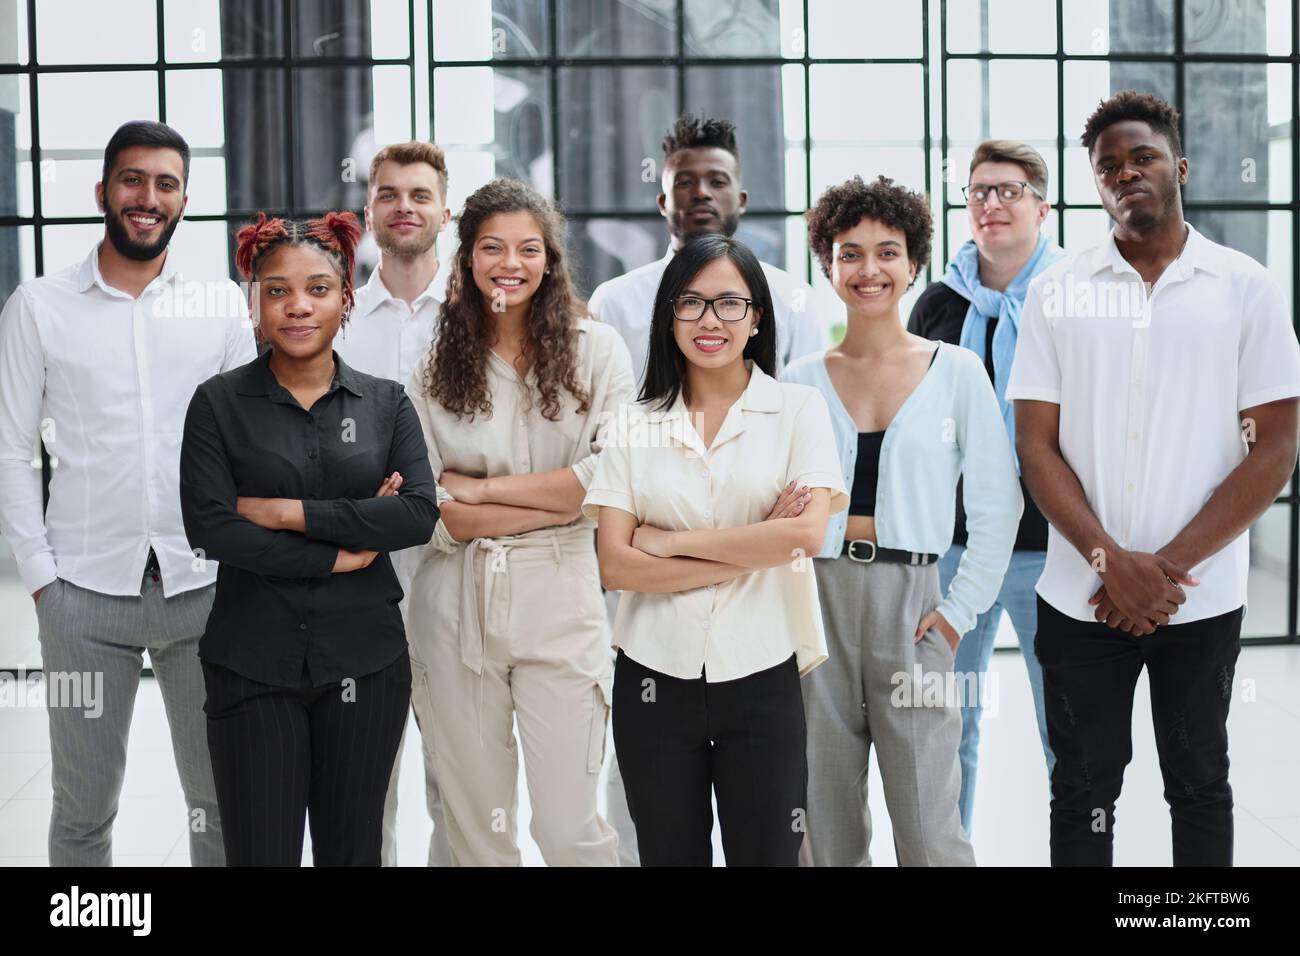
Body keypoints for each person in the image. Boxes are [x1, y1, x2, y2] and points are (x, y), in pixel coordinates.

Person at [1009, 91, 1300, 867]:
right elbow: (1036, 447)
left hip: (1199, 599)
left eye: (1140, 158)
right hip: (1079, 598)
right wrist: (1110, 561)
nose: (1124, 173)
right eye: (1107, 166)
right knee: (1082, 788)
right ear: (1094, 184)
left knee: (1200, 782)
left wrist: (1161, 572)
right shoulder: (1056, 291)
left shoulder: (1245, 288)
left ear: (1178, 165)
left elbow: (1274, 447)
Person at [0, 120, 253, 866]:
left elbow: (249, 446)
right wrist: (42, 578)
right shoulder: (40, 306)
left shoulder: (217, 308)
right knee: (82, 811)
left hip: (205, 587)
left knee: (217, 803)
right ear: (104, 190)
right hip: (81, 594)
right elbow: (13, 448)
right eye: (133, 180)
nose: (148, 197)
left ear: (183, 200)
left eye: (165, 183)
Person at [587, 112, 830, 865]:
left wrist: (673, 543)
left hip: (762, 669)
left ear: (756, 318)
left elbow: (807, 537)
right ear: (668, 318)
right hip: (652, 675)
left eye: (730, 304)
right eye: (690, 304)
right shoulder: (633, 420)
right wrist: (756, 544)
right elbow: (615, 565)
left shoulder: (797, 408)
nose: (710, 319)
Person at [180, 211, 438, 866]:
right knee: (260, 852)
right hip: (251, 665)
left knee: (354, 851)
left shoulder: (386, 404)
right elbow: (212, 528)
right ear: (253, 302)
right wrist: (345, 549)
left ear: (346, 299)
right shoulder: (217, 404)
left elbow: (414, 514)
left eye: (318, 288)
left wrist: (287, 513)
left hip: (365, 662)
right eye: (277, 290)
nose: (298, 305)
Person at [782, 175, 1022, 866]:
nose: (868, 269)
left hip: (915, 601)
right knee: (822, 825)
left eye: (887, 252)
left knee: (927, 824)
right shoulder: (797, 379)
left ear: (913, 262)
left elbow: (995, 504)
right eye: (849, 253)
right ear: (827, 266)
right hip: (815, 601)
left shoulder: (958, 372)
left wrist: (956, 615)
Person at [405, 178, 631, 866]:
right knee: (476, 832)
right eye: (492, 247)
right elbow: (428, 502)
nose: (511, 262)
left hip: (563, 595)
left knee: (569, 828)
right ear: (467, 258)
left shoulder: (598, 350)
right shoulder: (430, 357)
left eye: (528, 248)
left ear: (550, 258)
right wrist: (545, 495)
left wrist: (480, 489)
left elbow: (608, 484)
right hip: (455, 600)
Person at [907, 139, 1064, 833]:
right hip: (953, 550)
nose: (991, 204)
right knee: (945, 728)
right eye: (978, 193)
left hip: (1048, 548)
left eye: (1008, 190)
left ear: (1043, 207)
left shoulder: (1075, 298)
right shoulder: (937, 306)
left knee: (1065, 730)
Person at [335, 140, 453, 867]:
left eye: (418, 194)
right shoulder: (338, 316)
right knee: (360, 786)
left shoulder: (480, 315)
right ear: (369, 208)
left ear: (447, 208)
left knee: (459, 782)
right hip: (357, 579)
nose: (403, 207)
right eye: (388, 194)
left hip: (455, 570)